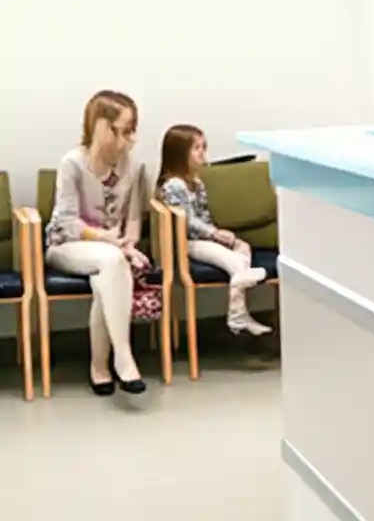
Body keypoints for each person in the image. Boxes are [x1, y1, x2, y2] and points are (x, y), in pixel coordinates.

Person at [46, 90, 150, 395]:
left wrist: (128, 246)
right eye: (123, 129)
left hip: (112, 252)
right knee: (111, 261)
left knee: (107, 276)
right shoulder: (73, 164)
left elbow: (133, 221)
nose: (130, 138)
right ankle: (124, 355)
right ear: (102, 127)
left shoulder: (134, 166)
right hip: (66, 246)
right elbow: (65, 221)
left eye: (132, 129)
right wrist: (106, 239)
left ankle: (100, 367)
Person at [156, 124, 272, 336]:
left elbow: (204, 216)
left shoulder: (197, 184)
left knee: (242, 247)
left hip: (204, 238)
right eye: (196, 148)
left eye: (203, 147)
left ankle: (237, 314)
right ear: (180, 154)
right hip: (188, 243)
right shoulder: (174, 185)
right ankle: (244, 292)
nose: (202, 153)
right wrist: (213, 234)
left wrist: (219, 235)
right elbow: (186, 221)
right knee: (237, 264)